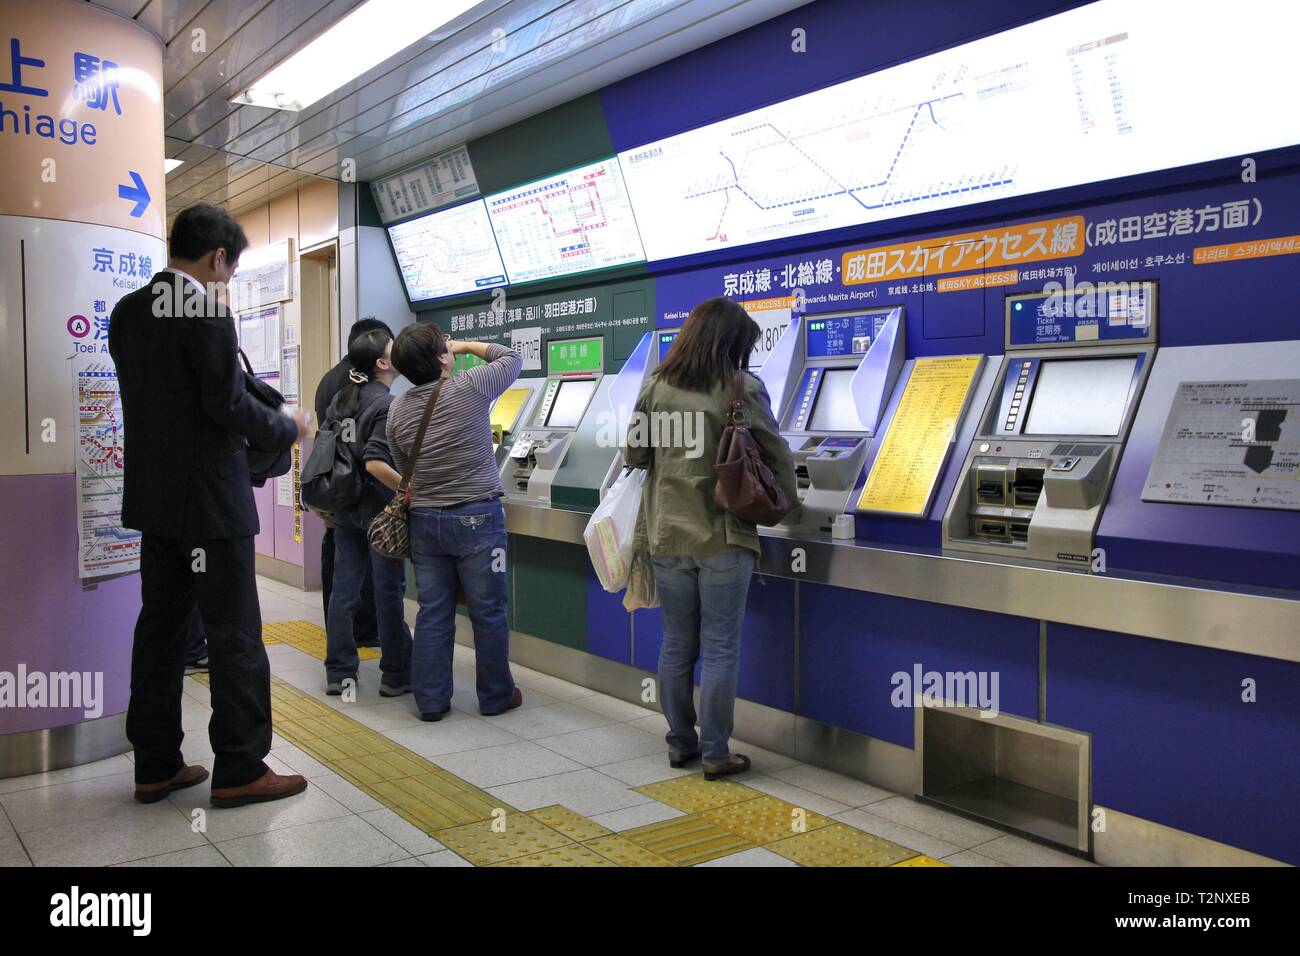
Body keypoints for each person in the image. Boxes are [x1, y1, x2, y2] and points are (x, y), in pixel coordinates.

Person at [108, 202, 310, 808]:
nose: (225, 282)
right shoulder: (204, 310)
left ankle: (155, 763)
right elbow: (226, 406)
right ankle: (242, 766)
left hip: (155, 503)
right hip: (211, 509)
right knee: (234, 634)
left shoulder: (127, 312)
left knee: (161, 631)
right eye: (228, 270)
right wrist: (287, 426)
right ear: (217, 257)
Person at [622, 297, 798, 781]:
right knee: (721, 646)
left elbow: (634, 456)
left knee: (677, 643)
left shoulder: (655, 386)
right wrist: (790, 504)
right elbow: (776, 452)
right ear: (733, 343)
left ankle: (681, 743)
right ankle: (717, 753)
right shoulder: (741, 388)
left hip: (667, 537)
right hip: (723, 536)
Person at [387, 324, 523, 721]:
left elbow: (402, 467)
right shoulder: (469, 387)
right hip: (477, 517)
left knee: (433, 612)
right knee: (488, 611)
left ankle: (430, 700)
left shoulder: (397, 408)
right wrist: (461, 344)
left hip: (426, 522)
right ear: (441, 357)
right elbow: (511, 358)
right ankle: (496, 695)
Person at [321, 328, 413, 696]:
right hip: (378, 511)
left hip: (344, 507)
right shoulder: (386, 403)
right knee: (388, 592)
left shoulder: (343, 398)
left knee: (344, 592)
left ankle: (340, 672)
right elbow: (375, 462)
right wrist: (408, 490)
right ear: (382, 364)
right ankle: (395, 674)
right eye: (393, 349)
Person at [314, 317, 390, 647]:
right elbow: (374, 459)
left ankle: (339, 659)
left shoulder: (331, 384)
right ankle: (381, 650)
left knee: (342, 582)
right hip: (371, 500)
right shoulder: (382, 400)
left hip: (338, 495)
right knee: (383, 583)